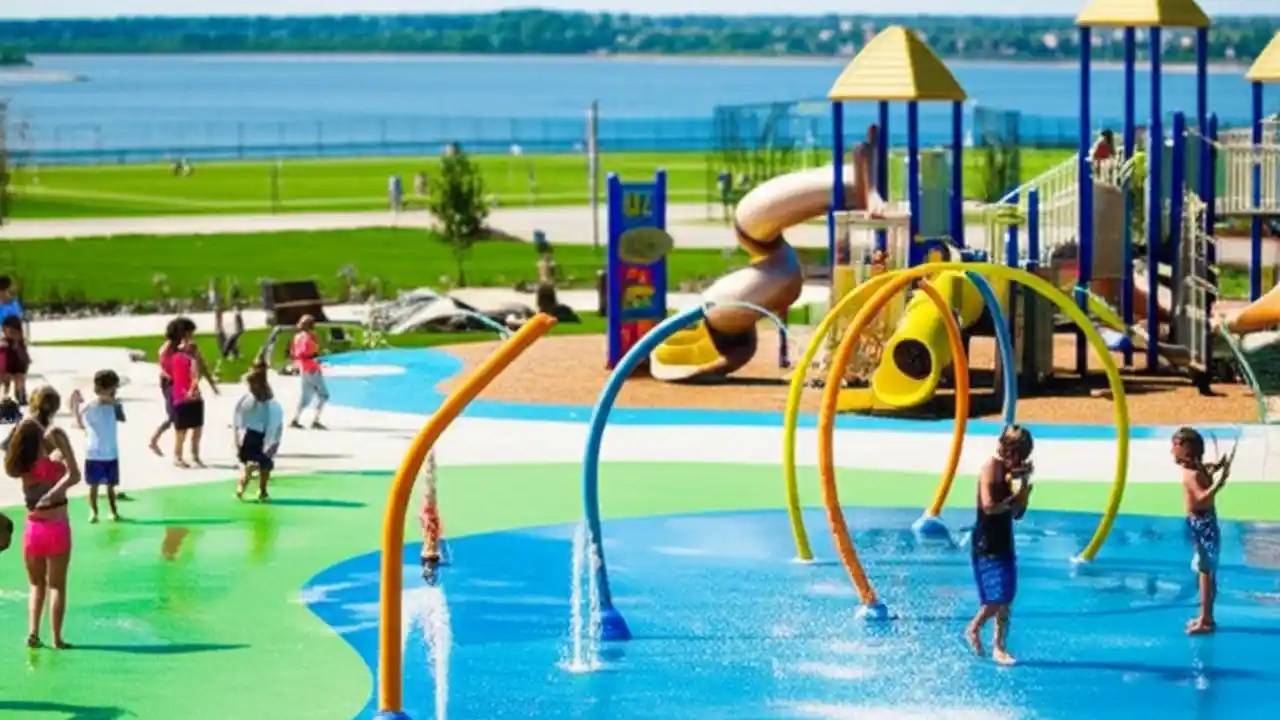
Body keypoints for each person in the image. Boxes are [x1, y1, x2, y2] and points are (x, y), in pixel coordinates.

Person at [6, 386, 82, 649]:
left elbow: (12, 467)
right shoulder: (56, 435)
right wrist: (53, 492)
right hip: (57, 524)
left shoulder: (23, 438)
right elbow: (74, 475)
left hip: (33, 526)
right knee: (57, 586)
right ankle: (58, 639)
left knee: (36, 585)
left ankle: (33, 634)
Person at [965, 425, 1035, 666]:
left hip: (1004, 540)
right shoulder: (990, 469)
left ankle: (999, 647)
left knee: (1006, 599)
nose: (1022, 460)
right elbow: (989, 506)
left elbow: (1017, 513)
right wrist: (1012, 499)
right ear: (1010, 450)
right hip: (986, 543)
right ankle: (974, 628)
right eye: (1020, 454)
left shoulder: (1008, 472)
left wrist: (1024, 486)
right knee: (996, 598)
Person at [1172, 427, 1234, 635]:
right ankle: (1206, 616)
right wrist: (1217, 467)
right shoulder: (1197, 469)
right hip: (1203, 525)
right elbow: (1205, 471)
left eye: (1175, 448)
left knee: (1205, 573)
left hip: (1202, 527)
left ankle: (1206, 620)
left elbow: (1201, 500)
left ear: (1186, 453)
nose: (1172, 452)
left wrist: (1217, 486)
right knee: (1207, 571)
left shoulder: (1190, 475)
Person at [151, 317, 217, 460]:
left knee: (189, 418)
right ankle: (165, 447)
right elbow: (167, 368)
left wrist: (212, 385)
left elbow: (201, 365)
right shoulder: (166, 349)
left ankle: (193, 454)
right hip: (171, 384)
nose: (192, 336)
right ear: (182, 333)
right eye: (190, 332)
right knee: (176, 417)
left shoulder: (191, 347)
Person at [74, 370, 124, 523]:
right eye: (113, 387)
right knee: (93, 485)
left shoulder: (115, 404)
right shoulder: (90, 403)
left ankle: (113, 511)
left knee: (110, 486)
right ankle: (93, 511)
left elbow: (121, 418)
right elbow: (76, 408)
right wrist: (79, 421)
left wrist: (115, 403)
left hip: (110, 452)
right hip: (94, 451)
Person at [233, 364, 283, 502]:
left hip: (263, 435)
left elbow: (275, 421)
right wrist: (237, 439)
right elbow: (238, 419)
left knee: (264, 464)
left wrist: (274, 441)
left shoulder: (268, 401)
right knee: (256, 463)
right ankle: (245, 486)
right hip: (251, 436)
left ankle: (261, 489)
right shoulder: (248, 400)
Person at [170, 330, 211, 468]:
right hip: (182, 398)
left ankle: (193, 456)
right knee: (182, 430)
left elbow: (196, 377)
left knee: (195, 429)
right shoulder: (176, 357)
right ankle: (180, 456)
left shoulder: (192, 359)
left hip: (191, 398)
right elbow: (194, 377)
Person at [289, 315, 328, 430]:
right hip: (312, 369)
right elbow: (309, 352)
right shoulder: (309, 337)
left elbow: (295, 353)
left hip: (303, 368)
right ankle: (315, 420)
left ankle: (295, 419)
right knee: (323, 395)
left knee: (305, 396)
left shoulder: (297, 337)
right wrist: (315, 355)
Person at [0, 315, 31, 406]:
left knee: (19, 378)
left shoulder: (19, 343)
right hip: (5, 367)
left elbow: (23, 359)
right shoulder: (4, 342)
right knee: (5, 380)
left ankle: (20, 395)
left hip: (16, 367)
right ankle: (9, 396)